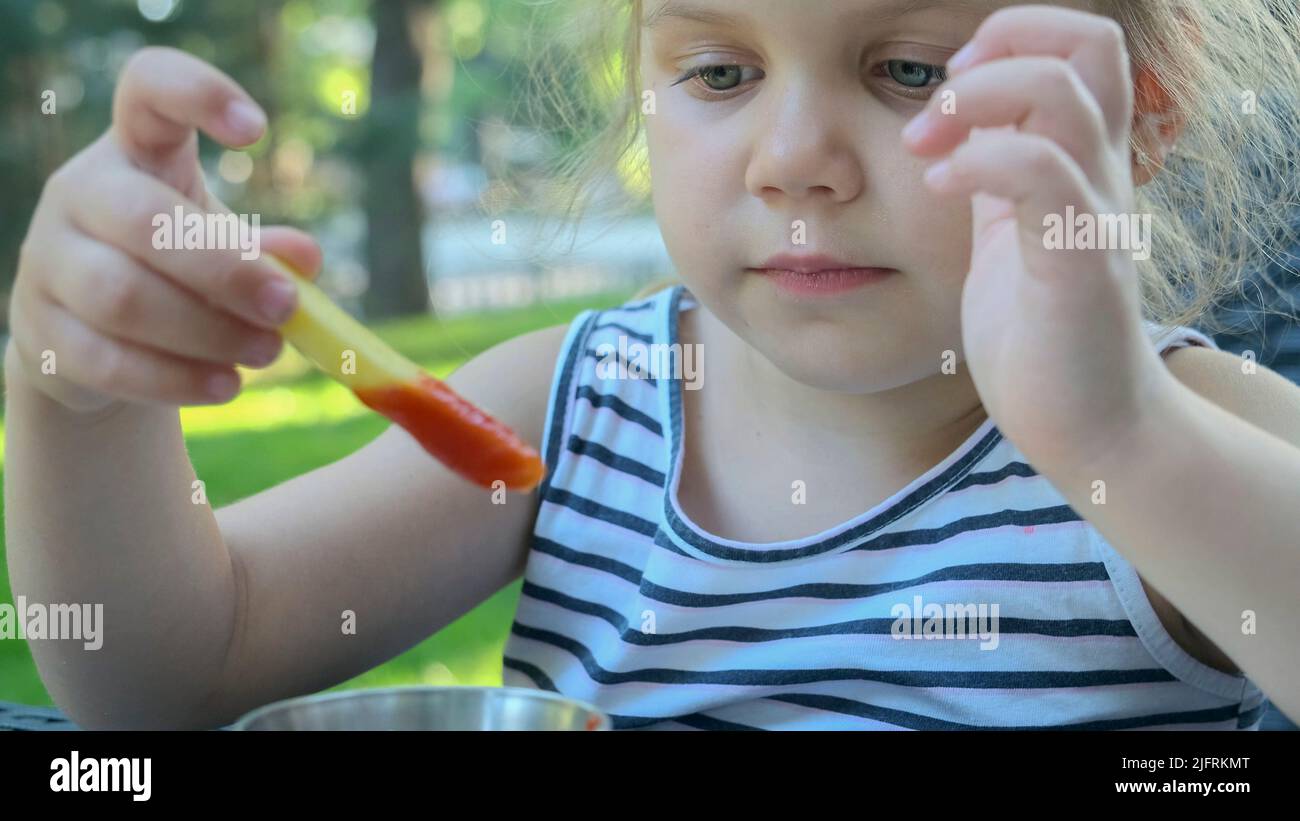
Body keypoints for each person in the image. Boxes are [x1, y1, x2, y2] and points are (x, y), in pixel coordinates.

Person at [7, 0, 1300, 730]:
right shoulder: (582, 407)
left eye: (910, 71)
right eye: (721, 71)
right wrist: (82, 400)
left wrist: (1114, 434)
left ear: (1132, 124)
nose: (792, 157)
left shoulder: (1177, 427)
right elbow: (171, 670)